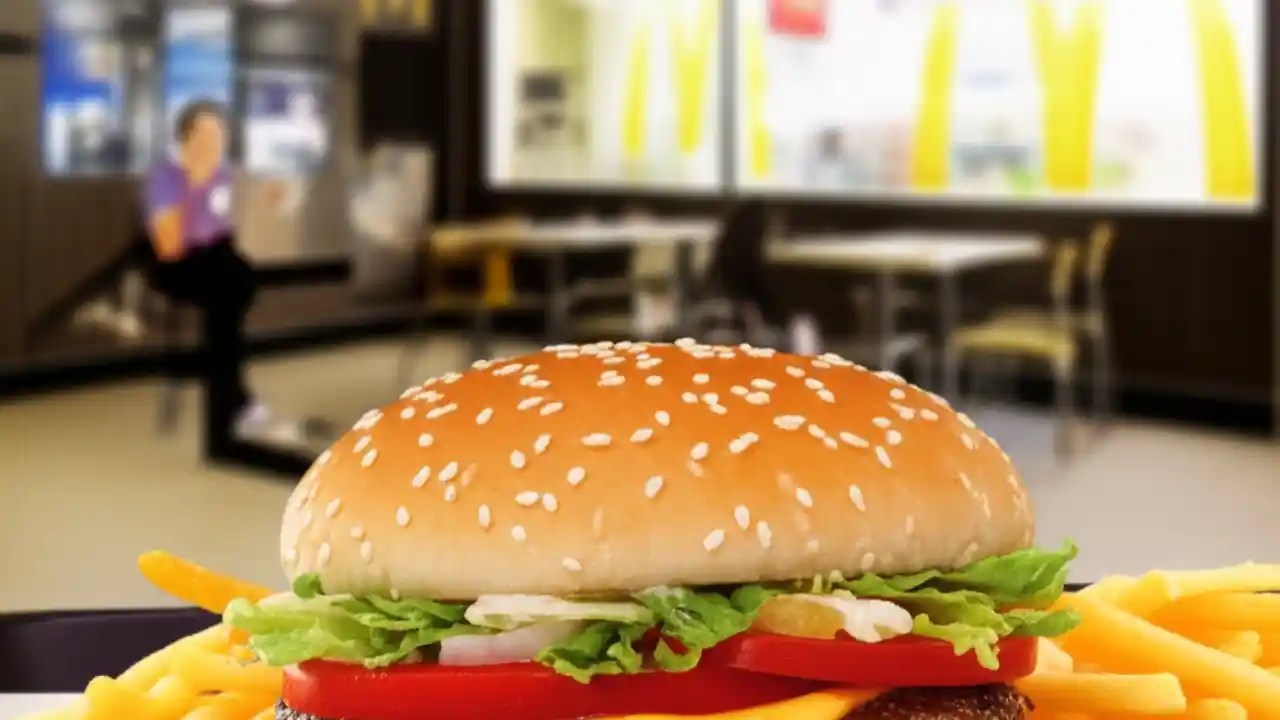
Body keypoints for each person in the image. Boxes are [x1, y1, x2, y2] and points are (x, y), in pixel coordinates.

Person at [143, 100, 277, 446]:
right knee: (226, 300)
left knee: (232, 288)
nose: (215, 144)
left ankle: (229, 391)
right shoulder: (164, 177)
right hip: (176, 264)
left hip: (215, 259)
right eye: (206, 135)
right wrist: (193, 186)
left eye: (219, 135)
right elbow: (169, 245)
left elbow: (223, 226)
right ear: (185, 138)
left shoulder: (224, 175)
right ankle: (234, 396)